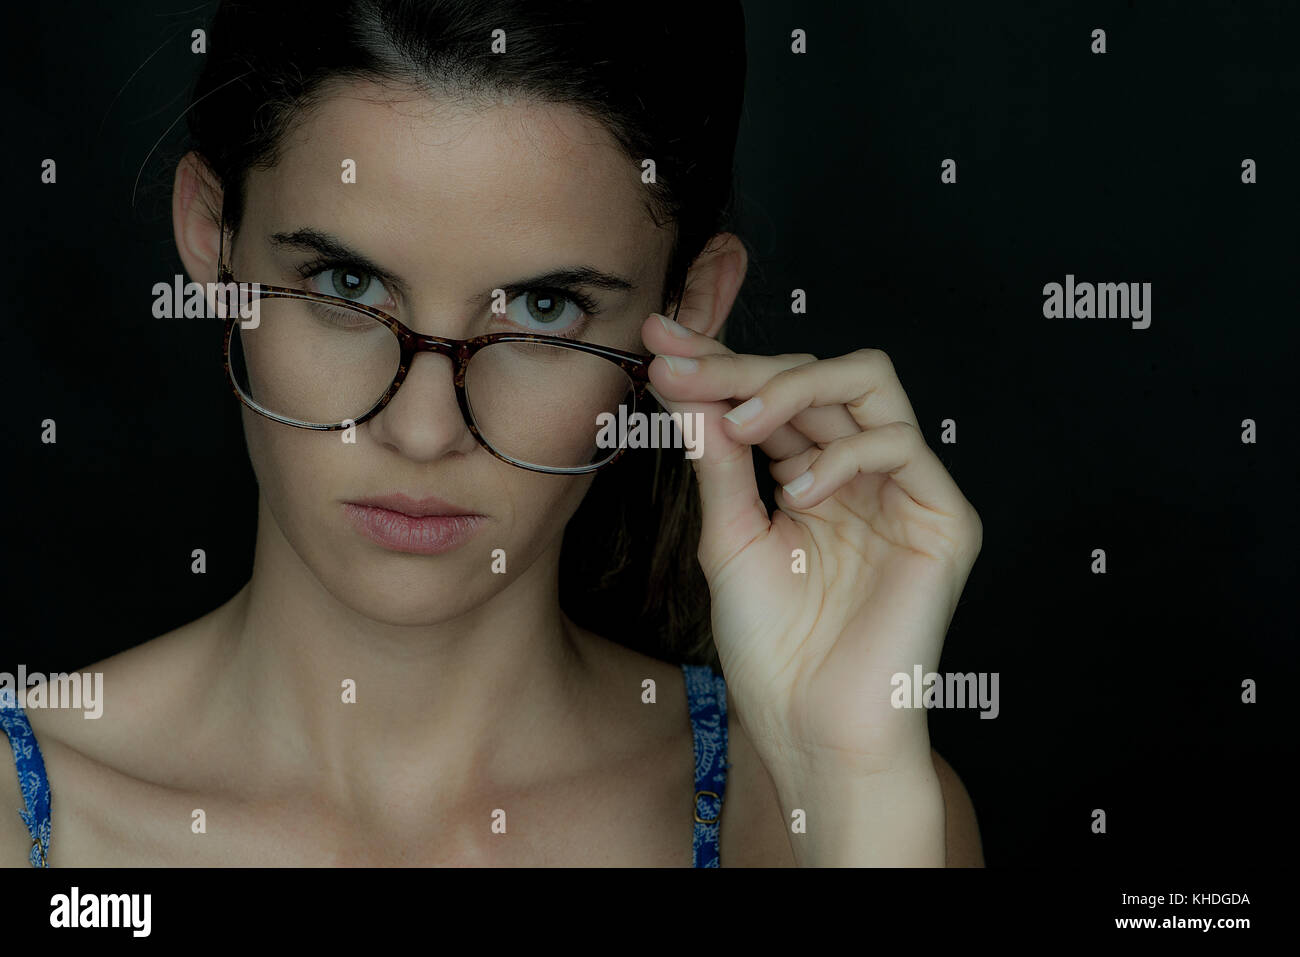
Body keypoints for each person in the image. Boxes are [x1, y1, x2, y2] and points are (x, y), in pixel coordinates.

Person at [1, 0, 983, 867]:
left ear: (689, 306)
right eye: (345, 287)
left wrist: (848, 786)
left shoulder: (835, 820)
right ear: (210, 233)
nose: (424, 430)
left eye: (545, 311)